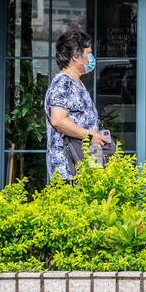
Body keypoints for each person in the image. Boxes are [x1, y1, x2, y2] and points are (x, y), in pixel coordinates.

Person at [44, 28, 109, 181]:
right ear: (75, 57)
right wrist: (90, 135)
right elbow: (58, 120)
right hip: (68, 167)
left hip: (84, 163)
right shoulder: (63, 84)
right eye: (88, 54)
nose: (91, 58)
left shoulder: (76, 83)